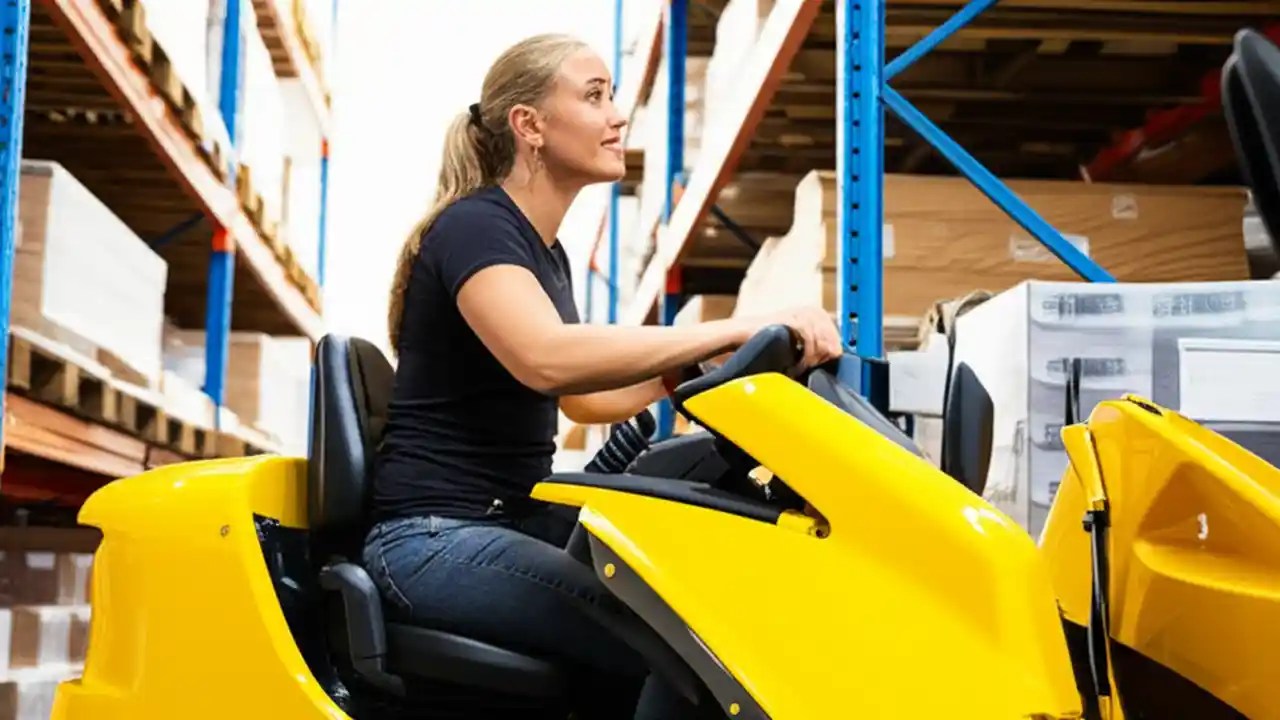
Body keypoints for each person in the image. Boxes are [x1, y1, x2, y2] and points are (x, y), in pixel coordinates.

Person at [362, 32, 842, 719]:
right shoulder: (475, 229)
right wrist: (731, 326)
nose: (617, 116)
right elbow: (545, 356)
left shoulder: (542, 252)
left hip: (504, 524)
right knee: (681, 635)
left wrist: (689, 371)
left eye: (613, 95)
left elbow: (583, 399)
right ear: (530, 125)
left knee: (694, 590)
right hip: (434, 540)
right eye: (595, 96)